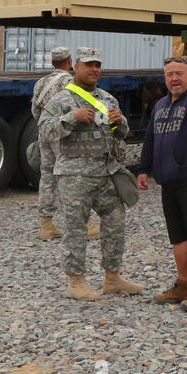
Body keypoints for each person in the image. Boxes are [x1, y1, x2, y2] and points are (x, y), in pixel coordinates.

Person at [39, 47, 142, 301]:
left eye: (98, 65)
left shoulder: (107, 98)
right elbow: (44, 131)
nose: (94, 69)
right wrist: (71, 118)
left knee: (116, 222)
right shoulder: (61, 100)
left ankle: (112, 278)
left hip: (106, 174)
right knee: (76, 229)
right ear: (76, 66)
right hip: (75, 176)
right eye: (89, 65)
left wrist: (121, 122)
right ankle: (76, 282)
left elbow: (120, 133)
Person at [136, 56, 187, 312]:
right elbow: (150, 140)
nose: (174, 78)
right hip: (169, 182)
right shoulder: (161, 105)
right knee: (179, 238)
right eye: (170, 74)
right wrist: (143, 169)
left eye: (179, 74)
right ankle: (183, 284)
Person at [30, 46, 99, 243]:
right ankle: (83, 224)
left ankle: (46, 224)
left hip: (46, 133)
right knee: (72, 177)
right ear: (70, 62)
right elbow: (82, 107)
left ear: (52, 63)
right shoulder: (71, 82)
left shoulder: (41, 83)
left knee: (48, 177)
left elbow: (35, 110)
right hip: (66, 134)